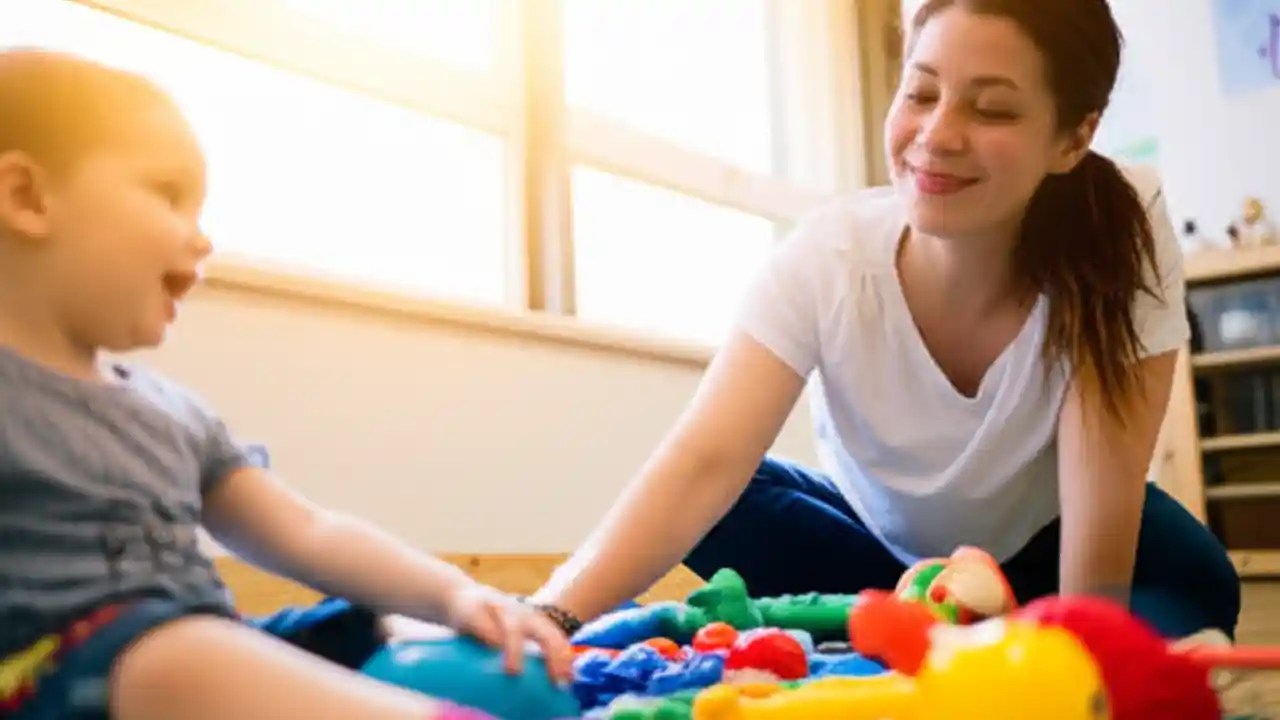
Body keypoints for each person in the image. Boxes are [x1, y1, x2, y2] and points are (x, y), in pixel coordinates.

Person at [529, 0, 1241, 642]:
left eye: (991, 110)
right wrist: (550, 617)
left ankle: (962, 633)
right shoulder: (828, 254)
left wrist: (1074, 658)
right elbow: (702, 464)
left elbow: (1101, 496)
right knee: (728, 499)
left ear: (1072, 139)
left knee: (1192, 585)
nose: (937, 134)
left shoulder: (1122, 229)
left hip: (1051, 552)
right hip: (886, 557)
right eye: (922, 92)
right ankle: (931, 624)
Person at [0, 48, 571, 720]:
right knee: (179, 656)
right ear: (27, 197)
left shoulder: (175, 415)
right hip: (53, 680)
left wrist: (453, 596)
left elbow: (309, 534)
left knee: (365, 625)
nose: (202, 239)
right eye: (168, 196)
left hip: (207, 649)